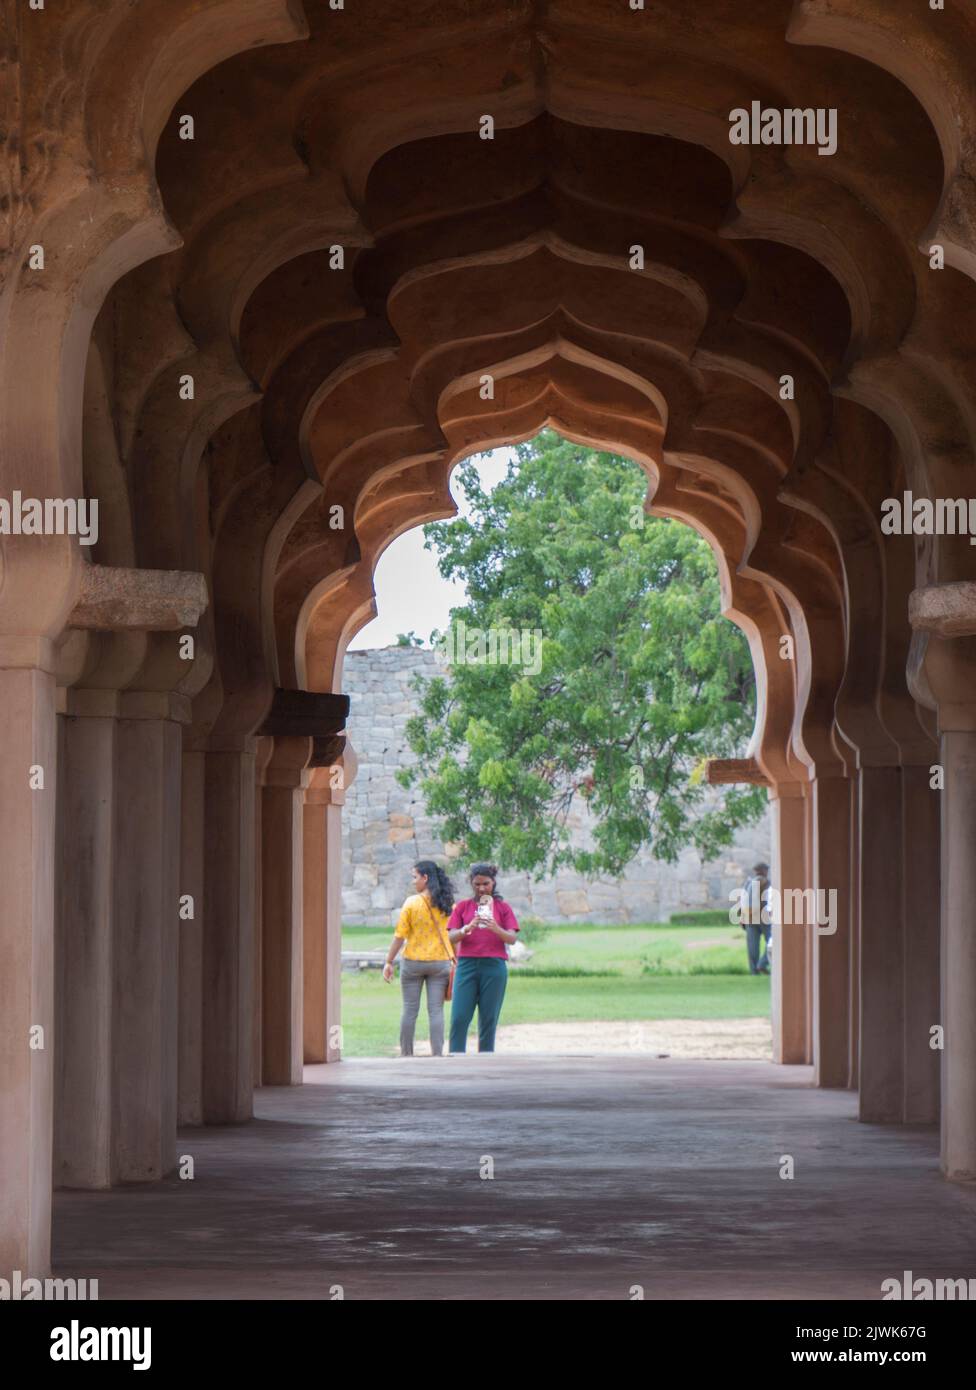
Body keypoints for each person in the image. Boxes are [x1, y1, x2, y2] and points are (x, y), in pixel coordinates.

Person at [382, 860, 456, 1056]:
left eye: (415, 877)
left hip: (413, 963)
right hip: (440, 963)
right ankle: (437, 1055)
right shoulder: (448, 903)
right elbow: (452, 935)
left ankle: (407, 1054)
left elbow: (400, 936)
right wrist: (455, 957)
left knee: (409, 1010)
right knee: (436, 1011)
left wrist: (389, 961)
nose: (413, 882)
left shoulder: (411, 903)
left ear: (425, 878)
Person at [446, 863, 519, 1053]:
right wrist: (467, 928)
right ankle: (456, 1057)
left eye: (486, 884)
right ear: (471, 883)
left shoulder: (502, 908)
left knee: (488, 1019)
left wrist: (496, 928)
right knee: (459, 1017)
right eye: (476, 884)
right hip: (467, 965)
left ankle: (485, 1061)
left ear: (493, 883)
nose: (481, 888)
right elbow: (451, 936)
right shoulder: (463, 907)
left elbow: (511, 938)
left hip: (494, 967)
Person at [740, 861, 771, 975]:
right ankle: (762, 964)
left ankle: (754, 971)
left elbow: (743, 901)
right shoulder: (766, 882)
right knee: (773, 942)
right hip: (764, 918)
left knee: (752, 946)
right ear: (764, 871)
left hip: (750, 918)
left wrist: (742, 917)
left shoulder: (748, 883)